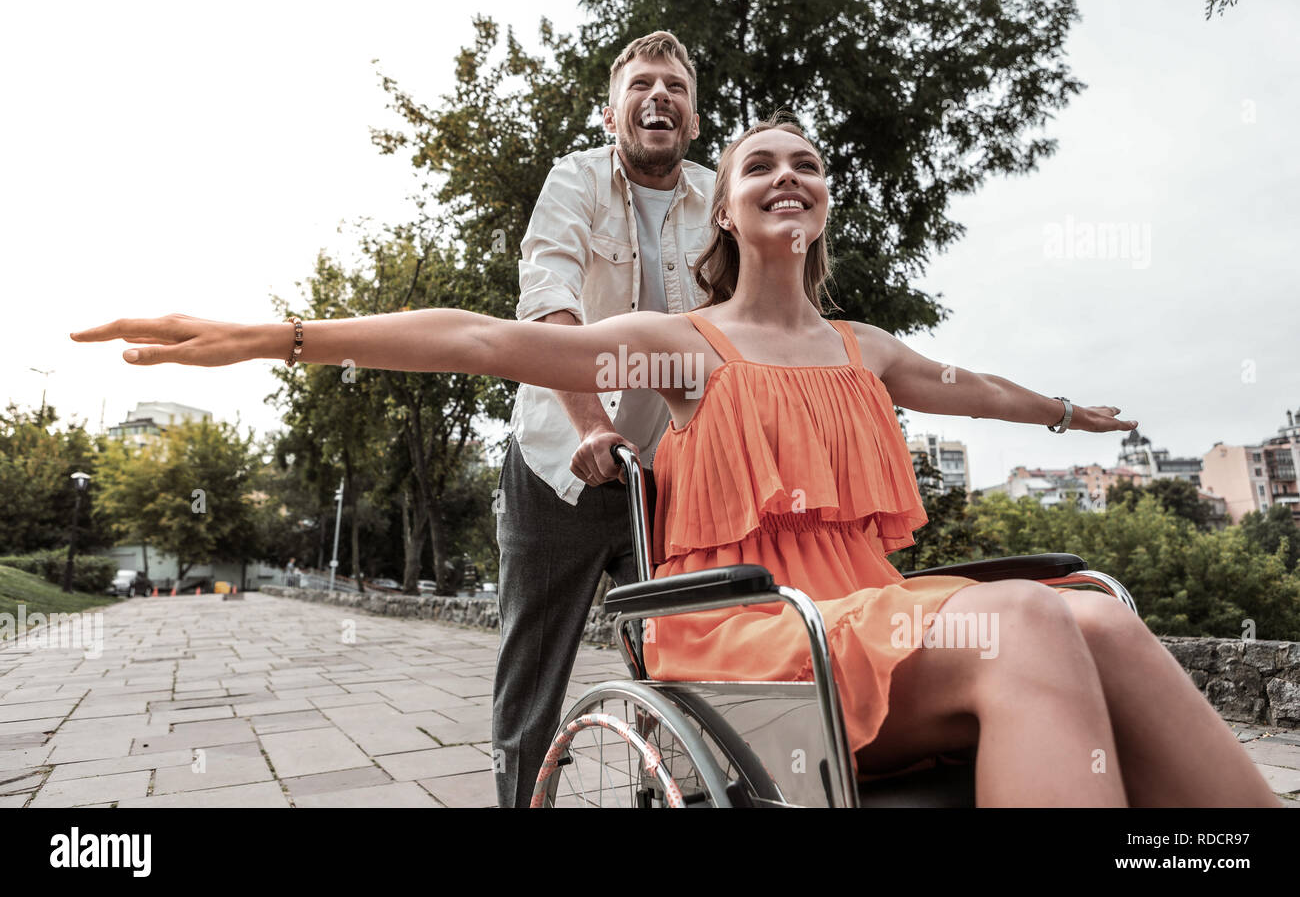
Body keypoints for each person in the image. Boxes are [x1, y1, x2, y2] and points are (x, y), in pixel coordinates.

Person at [69, 114, 1280, 807]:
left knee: (1096, 618)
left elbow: (979, 388)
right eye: (759, 162)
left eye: (805, 161)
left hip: (877, 606)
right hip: (755, 623)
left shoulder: (864, 347)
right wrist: (280, 336)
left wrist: (1070, 412)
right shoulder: (679, 351)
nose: (786, 173)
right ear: (725, 210)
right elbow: (489, 341)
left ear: (823, 203)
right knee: (1024, 621)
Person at [492, 31, 713, 807]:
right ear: (614, 107)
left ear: (691, 115)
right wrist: (590, 423)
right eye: (643, 83)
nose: (660, 96)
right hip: (562, 464)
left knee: (682, 662)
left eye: (676, 86)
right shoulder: (576, 179)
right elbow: (548, 299)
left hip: (671, 473)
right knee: (534, 673)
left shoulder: (719, 198)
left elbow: (746, 329)